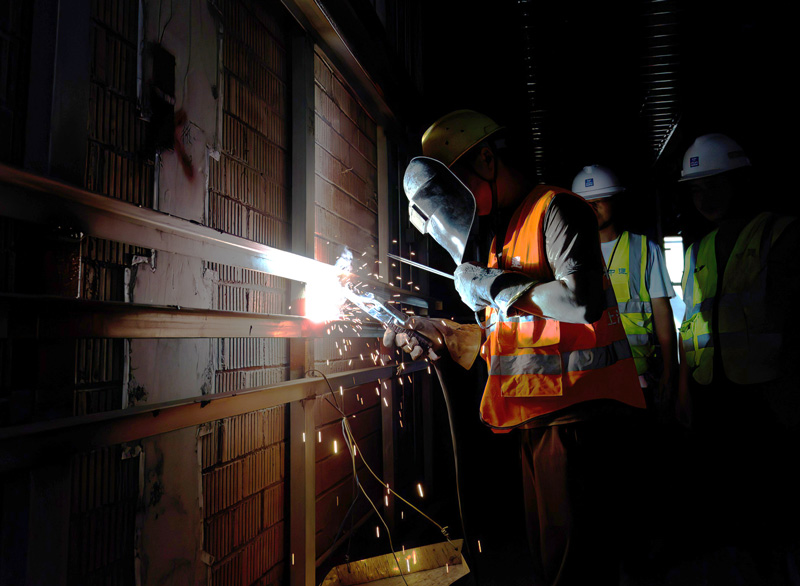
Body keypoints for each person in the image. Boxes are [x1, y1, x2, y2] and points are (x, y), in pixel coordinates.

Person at [386, 110, 647, 586]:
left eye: (455, 185)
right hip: (535, 424)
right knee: (550, 564)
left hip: (578, 425)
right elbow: (502, 340)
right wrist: (439, 331)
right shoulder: (502, 238)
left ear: (487, 159)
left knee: (577, 569)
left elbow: (581, 301)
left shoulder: (558, 210)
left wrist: (497, 285)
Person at [677, 133, 800, 581]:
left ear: (739, 182)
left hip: (768, 394)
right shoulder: (697, 251)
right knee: (733, 497)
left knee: (774, 498)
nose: (704, 196)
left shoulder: (781, 233)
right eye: (696, 188)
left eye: (713, 184)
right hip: (718, 392)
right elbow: (688, 330)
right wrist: (686, 393)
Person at [571, 164, 678, 419]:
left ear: (616, 200)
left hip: (640, 378)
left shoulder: (644, 248)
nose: (592, 208)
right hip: (589, 380)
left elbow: (663, 314)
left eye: (600, 200)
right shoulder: (570, 254)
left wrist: (670, 373)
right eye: (586, 203)